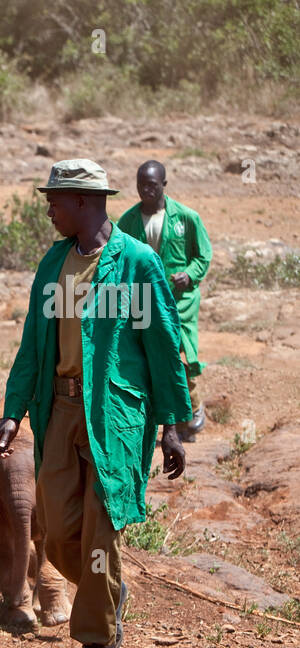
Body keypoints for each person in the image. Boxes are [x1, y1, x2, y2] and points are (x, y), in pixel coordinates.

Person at [0, 159, 191, 648]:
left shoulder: (138, 263)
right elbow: (33, 342)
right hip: (59, 410)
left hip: (117, 414)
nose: (49, 209)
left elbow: (163, 346)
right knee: (56, 532)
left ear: (85, 202)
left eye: (55, 200)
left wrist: (171, 424)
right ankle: (110, 596)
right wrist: (13, 412)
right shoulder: (54, 262)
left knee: (102, 529)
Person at [117, 161, 212, 441]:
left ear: (164, 185)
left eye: (152, 185)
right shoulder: (128, 221)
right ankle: (164, 419)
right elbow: (119, 258)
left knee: (180, 355)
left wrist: (190, 274)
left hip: (180, 301)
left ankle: (191, 412)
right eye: (141, 185)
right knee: (147, 356)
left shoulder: (186, 217)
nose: (146, 190)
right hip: (144, 302)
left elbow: (203, 255)